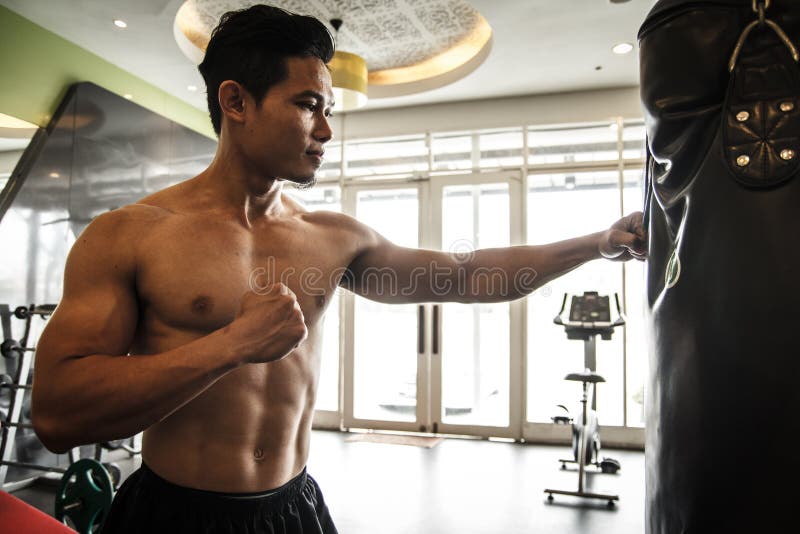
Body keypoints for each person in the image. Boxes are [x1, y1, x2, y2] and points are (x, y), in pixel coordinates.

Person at [31, 5, 646, 533]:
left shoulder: (331, 237)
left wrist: (596, 243)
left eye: (328, 109)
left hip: (293, 507)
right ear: (235, 100)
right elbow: (58, 415)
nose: (326, 130)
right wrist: (230, 347)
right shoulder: (130, 234)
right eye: (307, 106)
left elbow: (464, 274)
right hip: (174, 513)